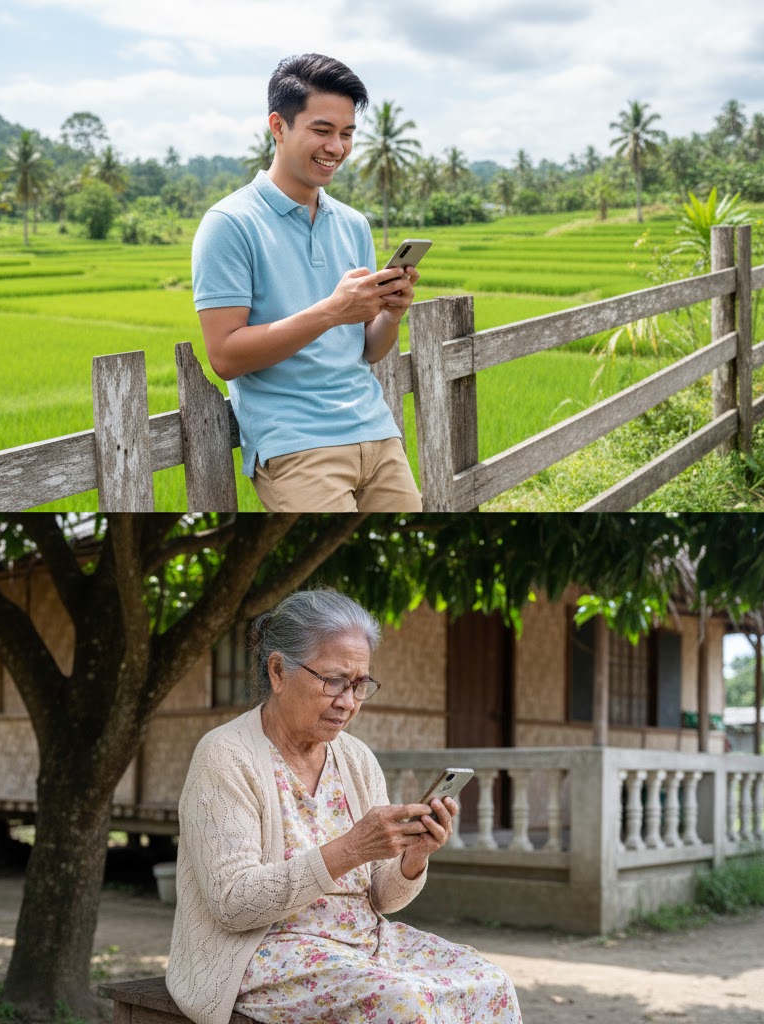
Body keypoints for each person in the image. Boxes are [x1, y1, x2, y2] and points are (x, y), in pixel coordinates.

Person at [167, 589, 523, 1024]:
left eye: (359, 685)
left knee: (490, 983)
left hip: (362, 942)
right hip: (261, 951)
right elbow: (234, 904)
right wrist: (351, 849)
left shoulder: (356, 758)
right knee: (400, 1001)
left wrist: (414, 856)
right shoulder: (224, 755)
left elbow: (381, 898)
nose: (348, 701)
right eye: (334, 681)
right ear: (278, 671)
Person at [191, 54, 424, 513]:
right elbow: (224, 356)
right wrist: (333, 310)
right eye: (322, 131)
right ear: (278, 126)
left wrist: (391, 313)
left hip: (377, 433)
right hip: (296, 445)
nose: (336, 147)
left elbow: (368, 350)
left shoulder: (353, 224)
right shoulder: (229, 224)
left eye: (347, 134)